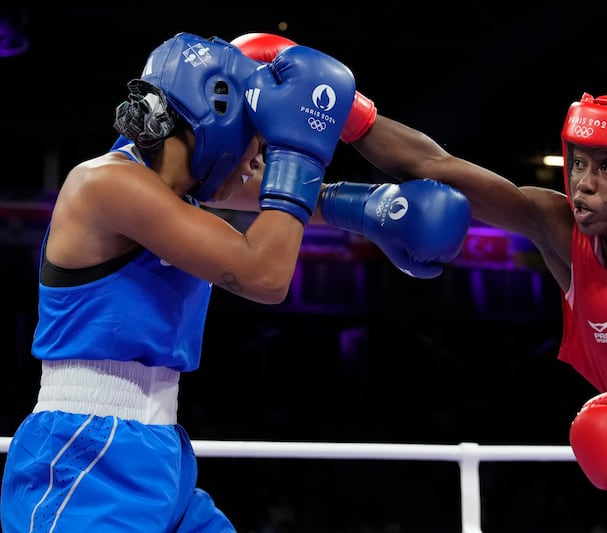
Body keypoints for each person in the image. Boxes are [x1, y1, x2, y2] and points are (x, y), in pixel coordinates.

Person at [233, 33, 607, 532]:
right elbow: (441, 167)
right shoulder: (558, 229)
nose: (582, 184)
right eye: (578, 163)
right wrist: (348, 114)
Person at [0, 32, 471, 532]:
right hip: (83, 458)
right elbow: (265, 275)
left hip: (158, 451)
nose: (257, 162)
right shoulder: (105, 184)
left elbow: (283, 195)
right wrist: (299, 147)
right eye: (257, 142)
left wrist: (373, 208)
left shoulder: (175, 189)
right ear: (217, 119)